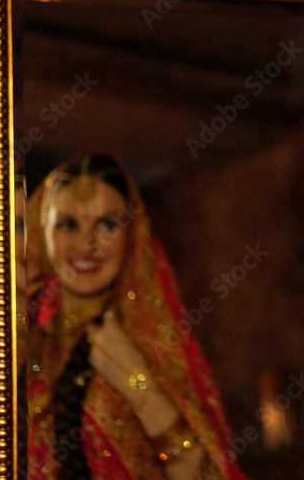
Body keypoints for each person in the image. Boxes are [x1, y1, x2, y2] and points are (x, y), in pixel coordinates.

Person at [25, 153, 249, 479]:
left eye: (107, 225)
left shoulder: (153, 344)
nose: (87, 244)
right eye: (68, 224)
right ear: (41, 233)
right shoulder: (19, 344)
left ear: (133, 236)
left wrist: (138, 384)